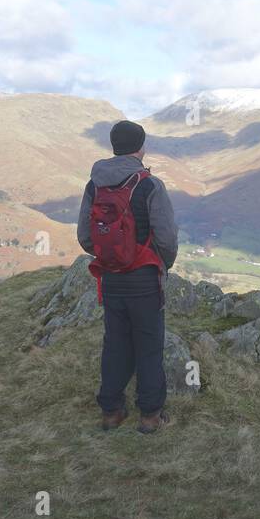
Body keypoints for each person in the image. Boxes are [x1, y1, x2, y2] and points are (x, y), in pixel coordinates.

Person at [76, 119, 179, 434]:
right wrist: (163, 264)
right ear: (141, 147)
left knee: (115, 343)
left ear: (113, 146)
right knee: (148, 345)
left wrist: (109, 256)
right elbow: (166, 237)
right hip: (145, 278)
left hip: (111, 279)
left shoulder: (95, 185)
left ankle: (111, 411)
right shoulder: (149, 185)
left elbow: (84, 235)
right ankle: (149, 416)